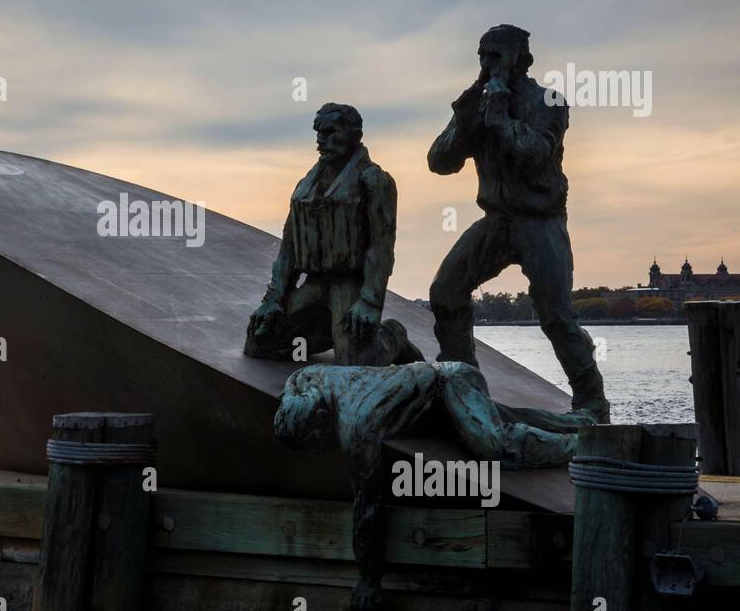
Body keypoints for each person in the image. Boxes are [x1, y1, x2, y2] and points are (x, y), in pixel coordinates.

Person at [427, 25, 608, 421]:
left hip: (540, 221)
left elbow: (537, 153)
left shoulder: (548, 101)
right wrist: (464, 118)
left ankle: (592, 401)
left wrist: (499, 119)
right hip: (497, 219)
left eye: (495, 56)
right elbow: (439, 163)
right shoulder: (478, 104)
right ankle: (462, 386)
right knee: (445, 291)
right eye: (482, 56)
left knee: (555, 315)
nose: (487, 64)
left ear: (520, 60)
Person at [246, 102, 420, 366]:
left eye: (329, 133)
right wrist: (273, 300)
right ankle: (333, 333)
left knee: (354, 362)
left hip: (349, 284)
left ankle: (392, 336)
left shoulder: (374, 181)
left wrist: (370, 302)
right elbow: (289, 248)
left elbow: (381, 247)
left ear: (354, 135)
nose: (321, 141)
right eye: (318, 133)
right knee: (260, 340)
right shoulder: (305, 186)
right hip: (315, 283)